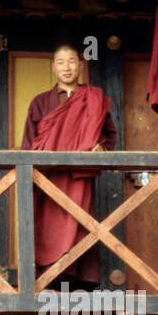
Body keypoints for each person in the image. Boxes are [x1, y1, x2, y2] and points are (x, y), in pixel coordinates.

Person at [20, 44, 116, 287]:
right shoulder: (41, 102)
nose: (66, 67)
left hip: (79, 177)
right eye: (61, 62)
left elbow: (109, 136)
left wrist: (101, 148)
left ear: (81, 65)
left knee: (80, 225)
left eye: (72, 61)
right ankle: (50, 281)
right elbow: (29, 143)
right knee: (48, 228)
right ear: (53, 67)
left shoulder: (94, 99)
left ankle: (81, 284)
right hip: (49, 178)